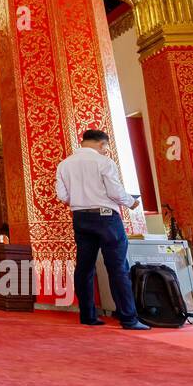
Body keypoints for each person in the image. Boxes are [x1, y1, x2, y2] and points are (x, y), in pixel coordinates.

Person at [54, 130, 148, 329]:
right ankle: (129, 319)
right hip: (106, 217)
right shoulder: (104, 162)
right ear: (100, 143)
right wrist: (131, 202)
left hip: (80, 217)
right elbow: (114, 191)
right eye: (106, 146)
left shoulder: (64, 164)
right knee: (118, 268)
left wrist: (81, 200)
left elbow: (62, 195)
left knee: (85, 267)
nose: (106, 150)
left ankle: (88, 316)